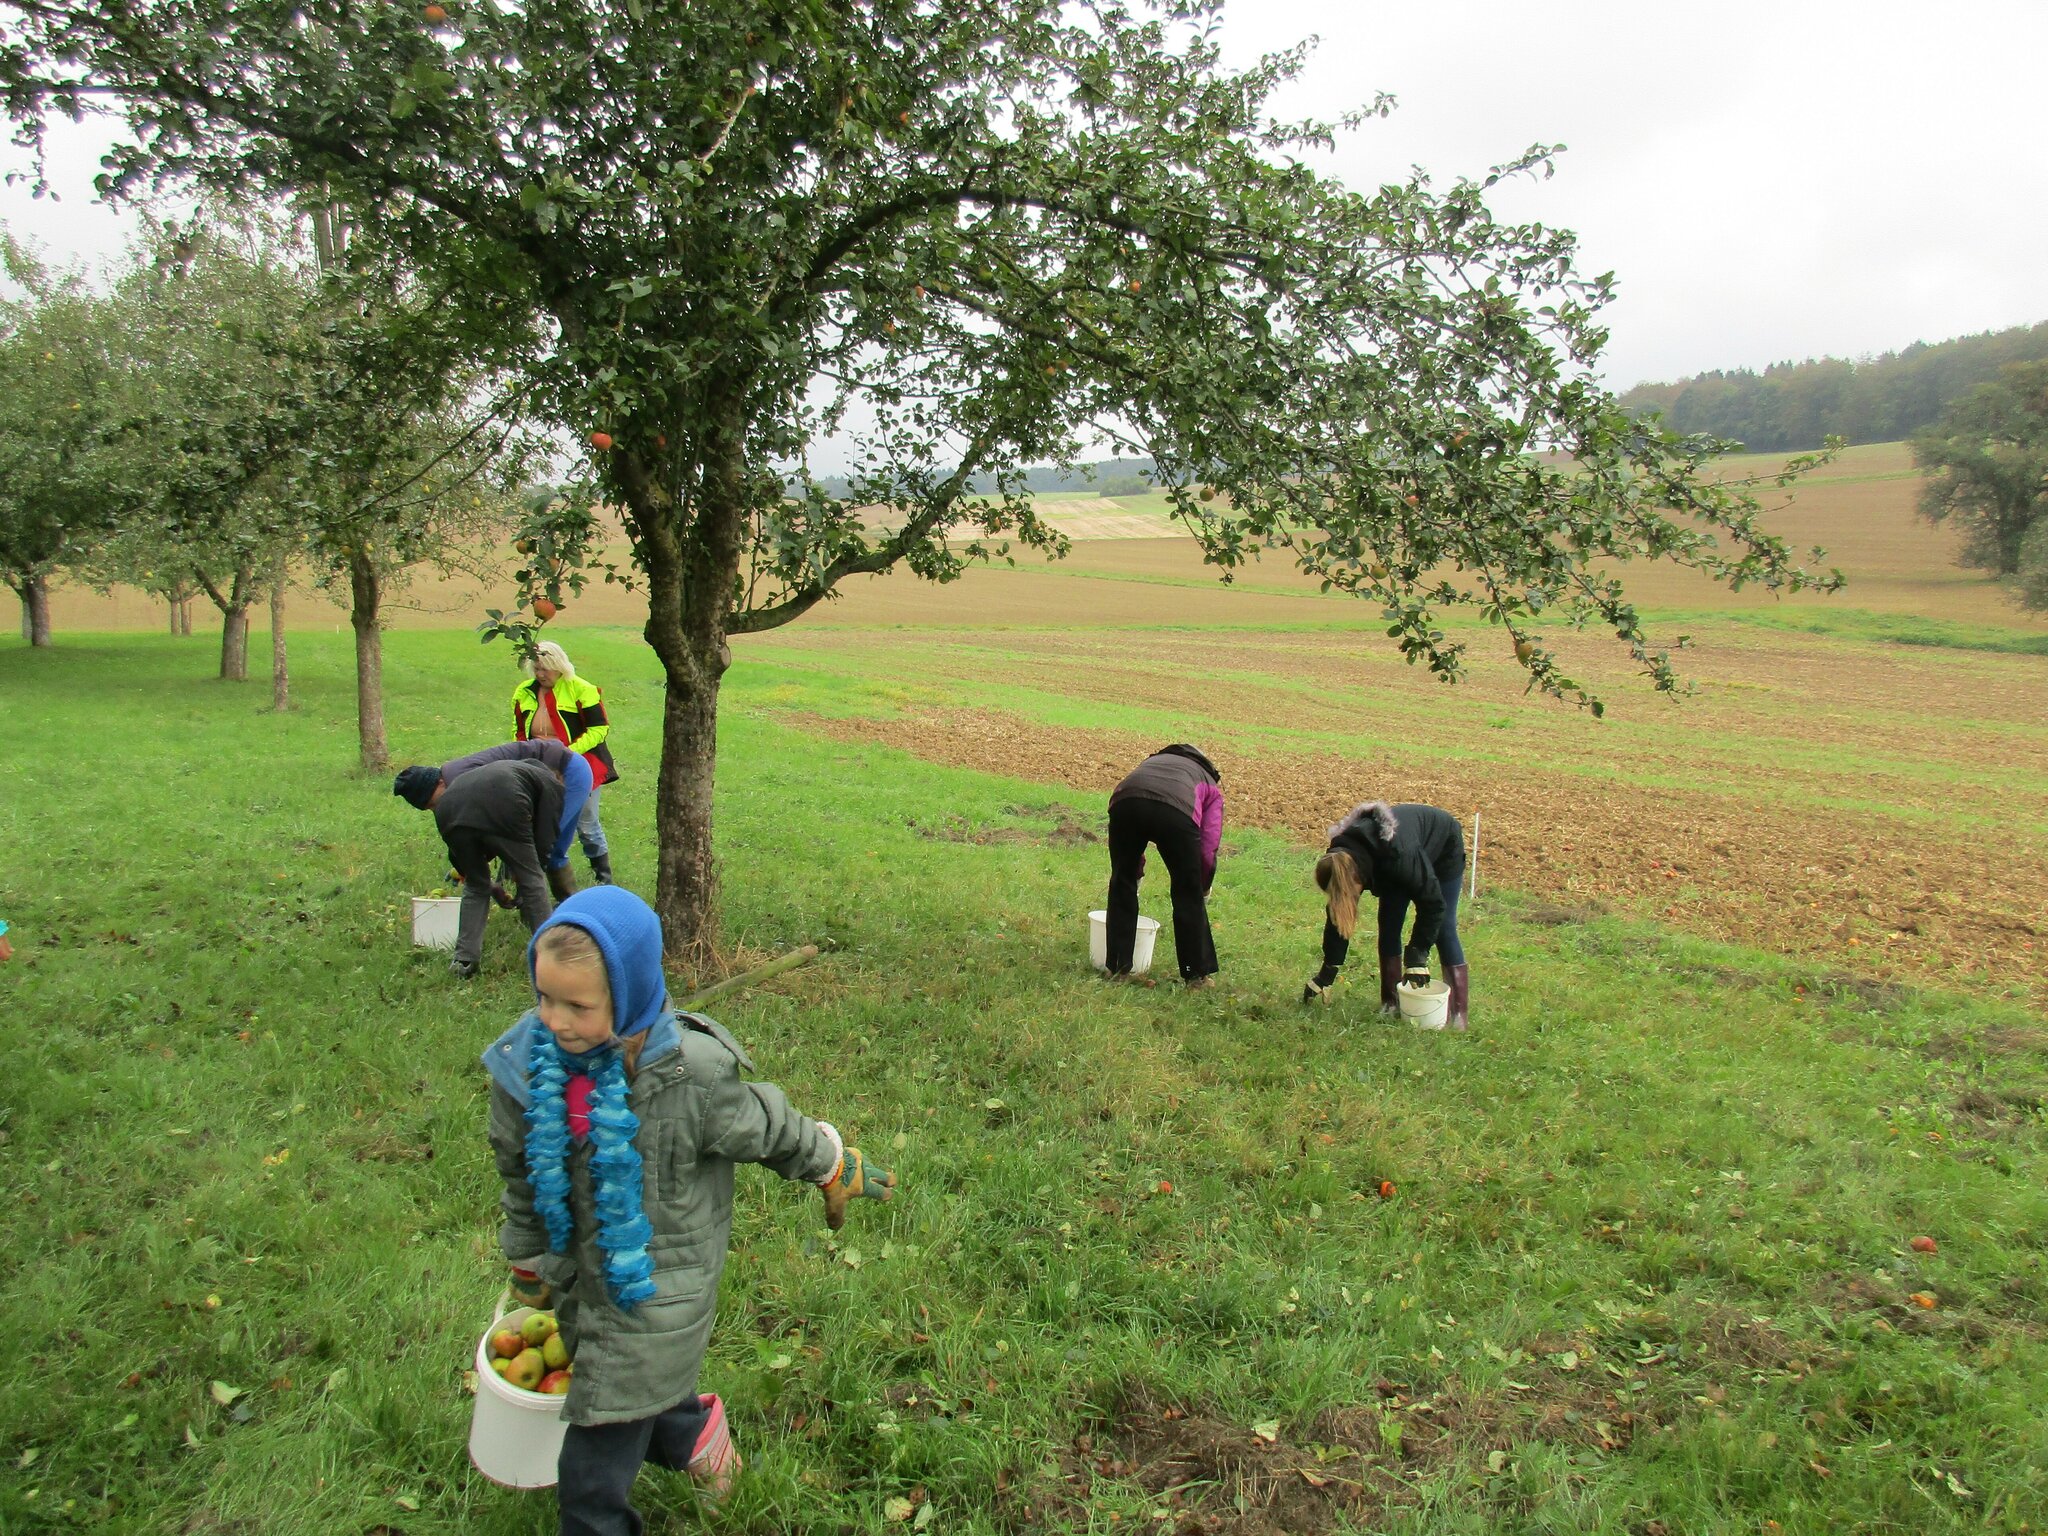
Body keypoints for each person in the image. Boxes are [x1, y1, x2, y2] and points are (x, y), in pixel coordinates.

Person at [484, 887, 896, 1536]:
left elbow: (765, 1125)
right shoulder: (528, 1070)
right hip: (577, 1278)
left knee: (593, 1468)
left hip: (656, 1290)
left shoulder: (689, 1076)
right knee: (632, 1387)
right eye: (544, 997)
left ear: (628, 994)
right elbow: (521, 1172)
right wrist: (528, 1255)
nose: (554, 1020)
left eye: (578, 1006)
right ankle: (694, 1433)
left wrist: (831, 1163)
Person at [1302, 800, 1470, 1030]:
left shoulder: (1401, 855)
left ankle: (1458, 1015)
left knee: (1444, 929)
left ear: (1356, 880)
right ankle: (1390, 1004)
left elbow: (1432, 903)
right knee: (1389, 923)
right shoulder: (1341, 858)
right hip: (1388, 860)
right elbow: (1339, 915)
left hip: (1441, 847)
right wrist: (1326, 974)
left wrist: (1417, 957)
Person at [394, 738, 594, 901]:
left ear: (439, 783)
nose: (436, 810)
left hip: (565, 772)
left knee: (544, 845)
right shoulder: (456, 785)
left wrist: (471, 865)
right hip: (552, 776)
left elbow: (500, 829)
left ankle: (546, 908)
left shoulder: (462, 783)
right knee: (551, 849)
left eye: (432, 804)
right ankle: (565, 905)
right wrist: (464, 865)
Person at [420, 757, 563, 979]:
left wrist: (491, 885)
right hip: (503, 801)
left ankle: (464, 960)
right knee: (532, 878)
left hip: (447, 809)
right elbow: (546, 838)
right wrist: (529, 872)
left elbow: (462, 859)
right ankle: (550, 955)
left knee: (475, 885)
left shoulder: (513, 771)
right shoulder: (551, 783)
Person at [1104, 744, 1224, 987]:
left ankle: (1117, 970)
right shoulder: (1208, 782)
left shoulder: (1150, 763)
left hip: (1125, 802)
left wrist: (1135, 873)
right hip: (1176, 814)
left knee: (1122, 883)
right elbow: (1207, 848)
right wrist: (1201, 886)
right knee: (1186, 893)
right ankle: (1195, 976)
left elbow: (1140, 810)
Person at [514, 641, 620, 885]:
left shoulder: (582, 689)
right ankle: (530, 872)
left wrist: (567, 755)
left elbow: (599, 730)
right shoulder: (524, 692)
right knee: (536, 819)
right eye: (536, 669)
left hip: (582, 764)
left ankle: (604, 880)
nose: (541, 674)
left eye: (546, 669)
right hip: (538, 765)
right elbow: (519, 731)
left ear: (559, 666)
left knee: (586, 823)